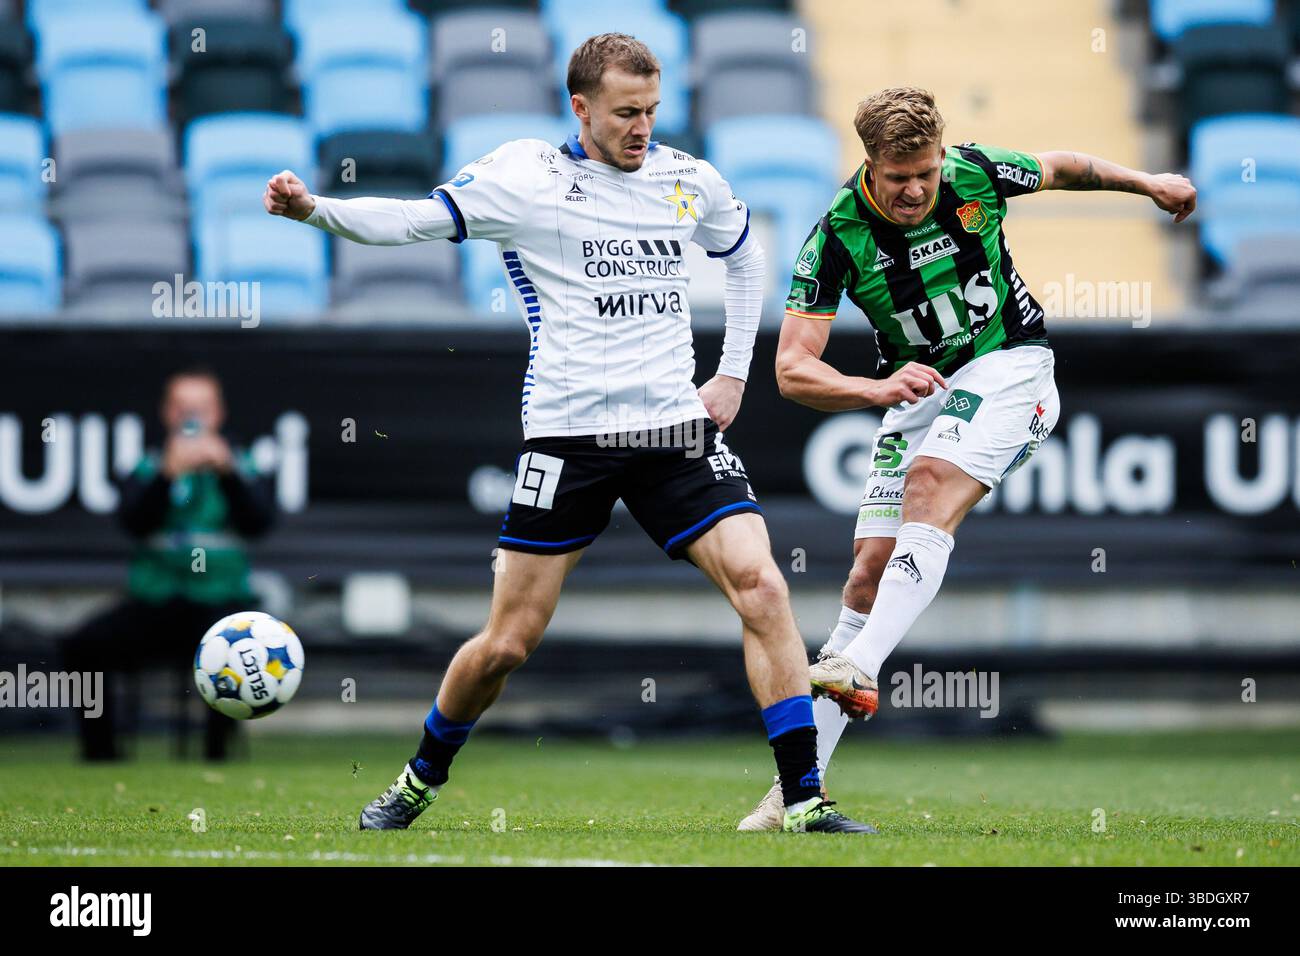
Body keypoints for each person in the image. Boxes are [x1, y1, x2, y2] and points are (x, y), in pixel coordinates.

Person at [264, 33, 874, 834]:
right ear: (580, 107)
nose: (642, 128)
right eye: (626, 113)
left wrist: (730, 373)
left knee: (763, 586)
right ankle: (417, 781)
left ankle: (803, 799)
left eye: (653, 110)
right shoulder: (526, 178)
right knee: (508, 644)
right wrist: (318, 211)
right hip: (569, 436)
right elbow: (413, 222)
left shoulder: (687, 180)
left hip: (673, 431)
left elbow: (742, 254)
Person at [735, 86, 1198, 829]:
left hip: (1012, 366)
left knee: (929, 485)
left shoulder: (976, 172)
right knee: (866, 572)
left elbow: (1065, 167)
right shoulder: (834, 239)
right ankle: (798, 794)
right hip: (914, 393)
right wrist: (875, 386)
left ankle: (860, 667)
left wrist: (1147, 183)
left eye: (926, 170)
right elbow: (793, 370)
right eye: (899, 177)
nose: (917, 188)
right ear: (869, 166)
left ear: (941, 155)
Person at [62, 367, 276, 760]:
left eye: (202, 408)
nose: (191, 418)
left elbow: (259, 522)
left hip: (219, 601)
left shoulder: (243, 466)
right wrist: (166, 475)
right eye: (182, 408)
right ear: (166, 413)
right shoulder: (147, 467)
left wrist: (227, 472)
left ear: (219, 414)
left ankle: (217, 752)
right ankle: (100, 753)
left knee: (234, 642)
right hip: (155, 604)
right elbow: (132, 522)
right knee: (82, 645)